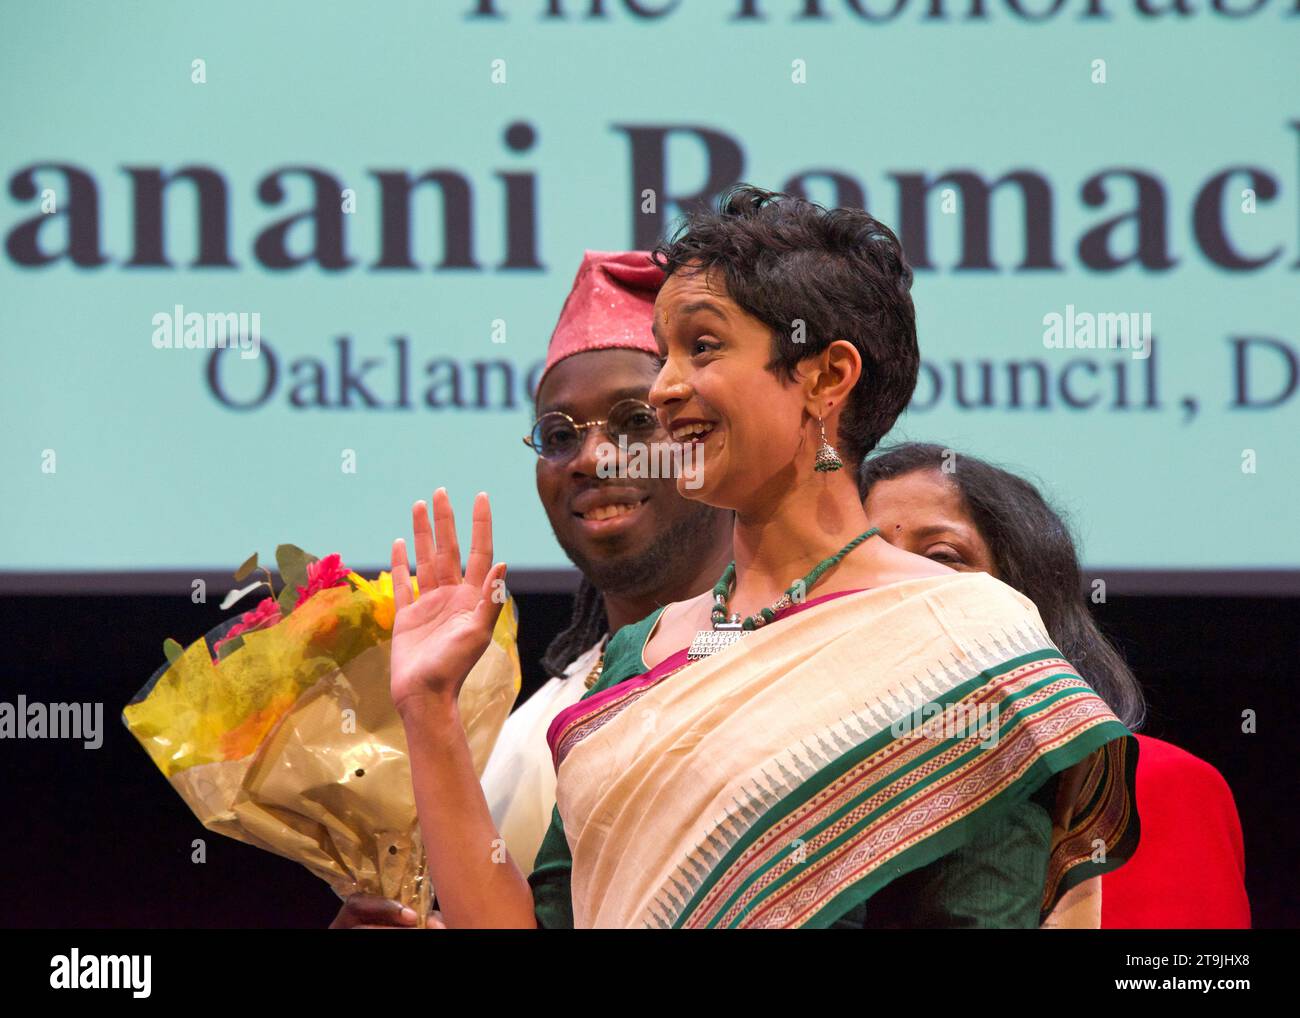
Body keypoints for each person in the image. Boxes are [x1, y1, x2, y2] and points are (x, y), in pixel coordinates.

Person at [386, 186, 1141, 928]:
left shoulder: (964, 638)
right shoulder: (635, 658)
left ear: (825, 376)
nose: (667, 386)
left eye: (703, 347)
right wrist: (429, 708)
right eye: (665, 353)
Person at [331, 250, 732, 928]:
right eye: (557, 435)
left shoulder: (786, 651)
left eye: (635, 421)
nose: (591, 458)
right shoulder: (524, 740)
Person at [860, 441, 1250, 928]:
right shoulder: (804, 799)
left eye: (942, 555)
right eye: (866, 559)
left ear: (1027, 597)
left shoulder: (1156, 783)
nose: (895, 583)